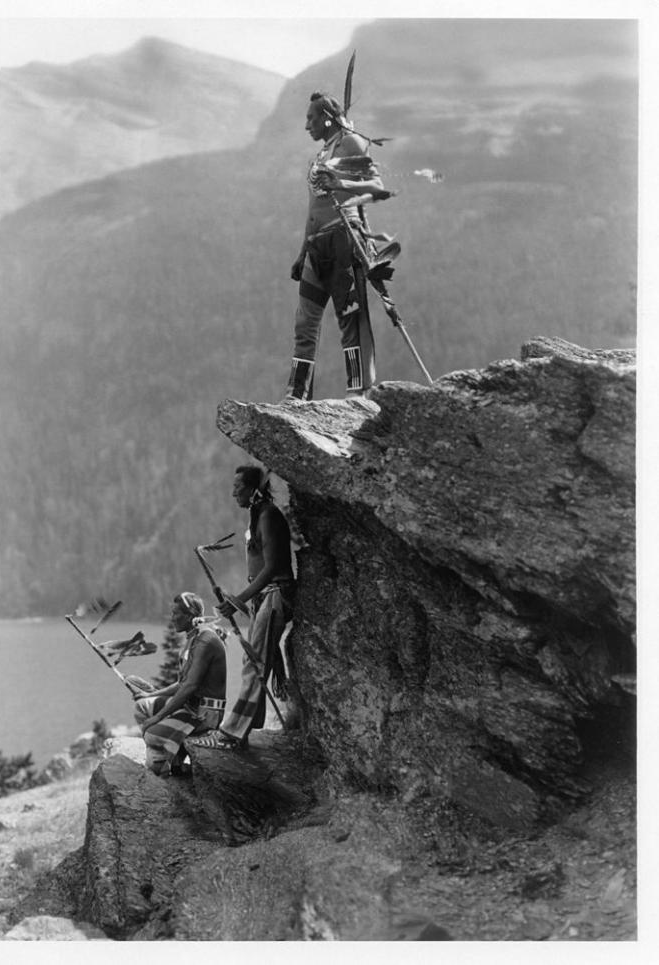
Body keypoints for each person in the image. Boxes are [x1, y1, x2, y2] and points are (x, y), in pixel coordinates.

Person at [285, 90, 388, 401]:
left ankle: (357, 393)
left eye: (311, 118)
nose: (307, 126)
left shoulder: (351, 143)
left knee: (350, 321)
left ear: (327, 117)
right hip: (316, 247)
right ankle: (297, 394)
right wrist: (302, 252)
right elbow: (313, 207)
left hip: (344, 240)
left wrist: (340, 183)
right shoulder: (321, 155)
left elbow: (377, 188)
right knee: (305, 323)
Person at [192, 465, 295, 750]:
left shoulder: (269, 516)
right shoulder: (259, 515)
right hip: (266, 596)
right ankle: (248, 726)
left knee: (254, 662)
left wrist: (237, 601)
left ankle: (233, 733)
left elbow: (272, 567)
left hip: (275, 595)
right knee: (254, 661)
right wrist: (241, 600)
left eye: (238, 487)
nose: (233, 493)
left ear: (253, 490)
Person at [127, 591, 227, 777]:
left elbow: (190, 686)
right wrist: (150, 695)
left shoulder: (205, 641)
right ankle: (173, 762)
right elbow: (182, 683)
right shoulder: (195, 637)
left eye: (175, 613)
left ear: (190, 616)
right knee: (142, 707)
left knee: (151, 734)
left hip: (204, 714)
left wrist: (157, 718)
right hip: (192, 707)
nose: (172, 618)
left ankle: (164, 766)